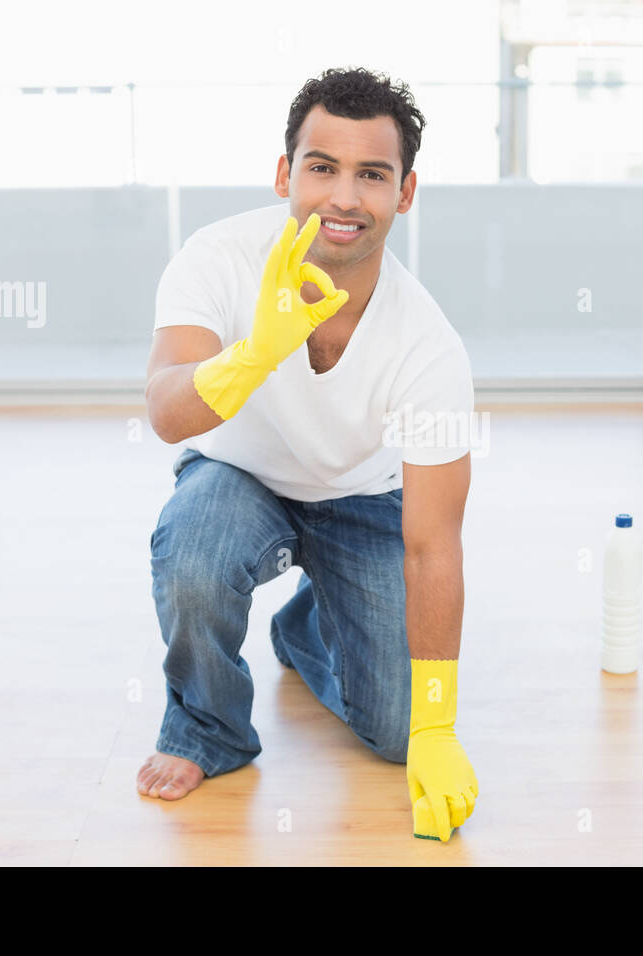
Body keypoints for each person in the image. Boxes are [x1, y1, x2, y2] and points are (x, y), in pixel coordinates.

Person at [137, 67, 478, 841]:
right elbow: (165, 413)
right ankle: (208, 729)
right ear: (287, 173)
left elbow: (432, 547)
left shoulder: (428, 348)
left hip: (360, 500)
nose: (345, 198)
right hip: (238, 478)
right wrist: (255, 352)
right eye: (322, 168)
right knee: (194, 550)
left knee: (394, 736)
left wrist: (433, 728)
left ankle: (306, 628)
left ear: (406, 192)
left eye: (372, 175)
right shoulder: (219, 257)